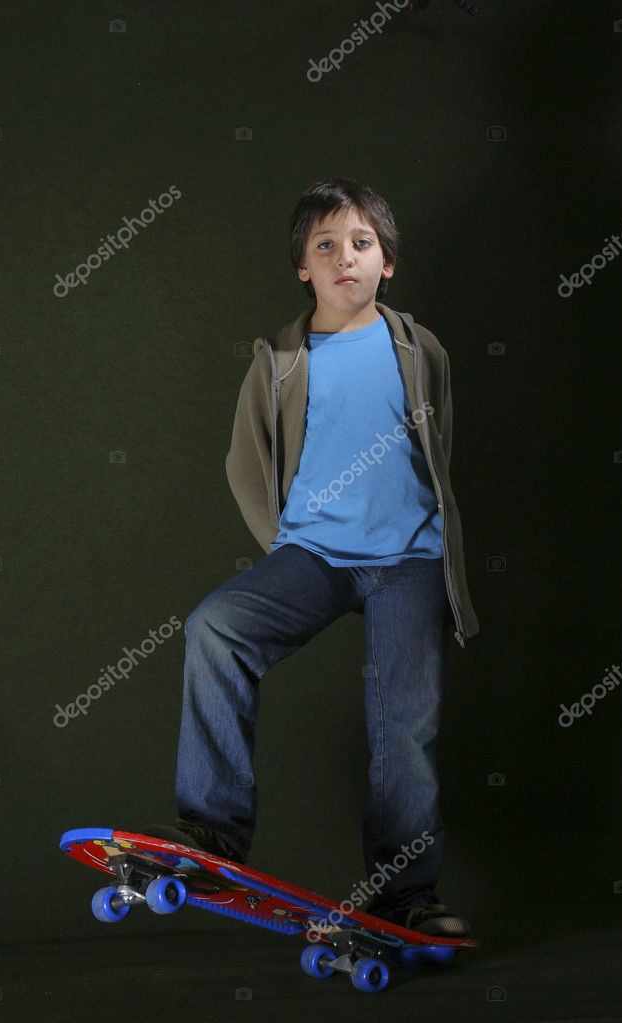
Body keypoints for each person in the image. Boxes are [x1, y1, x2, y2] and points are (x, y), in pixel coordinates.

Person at [144, 177, 479, 937]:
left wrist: (419, 526)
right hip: (316, 553)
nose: (345, 258)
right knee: (216, 627)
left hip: (411, 559)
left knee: (405, 730)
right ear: (303, 266)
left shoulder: (420, 350)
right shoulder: (280, 361)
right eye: (324, 246)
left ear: (387, 261)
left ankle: (407, 896)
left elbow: (439, 447)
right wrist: (288, 544)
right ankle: (211, 830)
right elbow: (244, 461)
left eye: (362, 243)